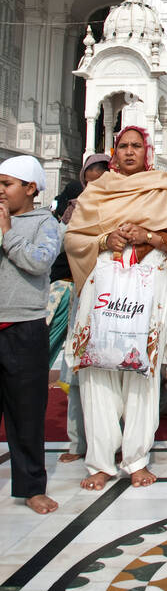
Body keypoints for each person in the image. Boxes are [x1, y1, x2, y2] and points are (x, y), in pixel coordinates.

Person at [66, 125, 167, 490]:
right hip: (103, 287)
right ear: (113, 151)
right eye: (122, 146)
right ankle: (101, 461)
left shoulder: (166, 188)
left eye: (136, 146)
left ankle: (137, 458)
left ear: (147, 151)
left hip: (147, 288)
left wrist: (149, 236)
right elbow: (75, 237)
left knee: (142, 373)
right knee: (97, 372)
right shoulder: (96, 192)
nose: (128, 152)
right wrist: (107, 238)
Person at [0, 156, 62, 515]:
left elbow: (40, 262)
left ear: (30, 188)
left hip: (24, 328)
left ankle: (31, 487)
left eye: (8, 185)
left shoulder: (45, 224)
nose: (2, 192)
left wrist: (8, 234)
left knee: (26, 413)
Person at [57, 152, 112, 464]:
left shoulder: (119, 203)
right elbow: (66, 245)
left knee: (110, 367)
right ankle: (77, 441)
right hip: (83, 291)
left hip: (111, 293)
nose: (98, 176)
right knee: (77, 367)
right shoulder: (75, 208)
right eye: (93, 171)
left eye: (104, 171)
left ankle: (110, 439)